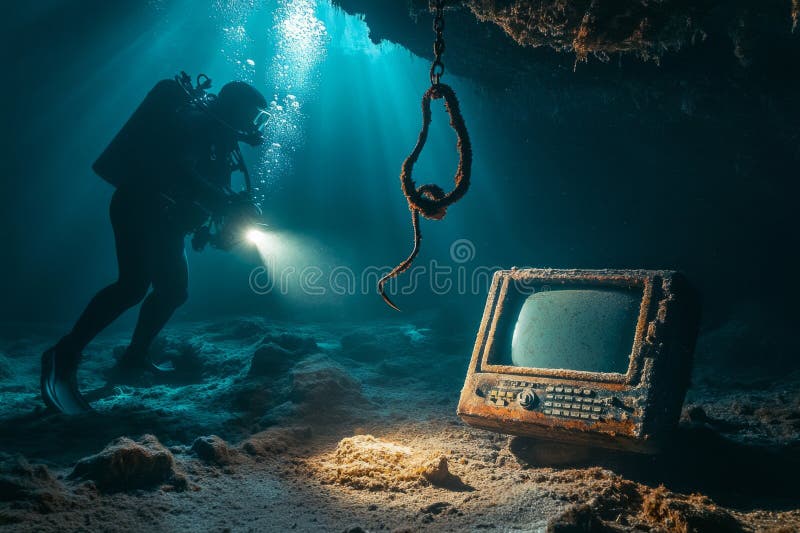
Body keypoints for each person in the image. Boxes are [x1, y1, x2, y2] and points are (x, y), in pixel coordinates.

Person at [41, 75, 268, 414]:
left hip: (166, 219)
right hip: (139, 205)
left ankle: (134, 359)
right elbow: (180, 168)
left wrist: (220, 217)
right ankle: (63, 355)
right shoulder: (195, 122)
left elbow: (204, 186)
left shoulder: (220, 137)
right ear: (234, 109)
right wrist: (220, 199)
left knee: (173, 291)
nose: (253, 125)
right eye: (251, 115)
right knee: (132, 286)